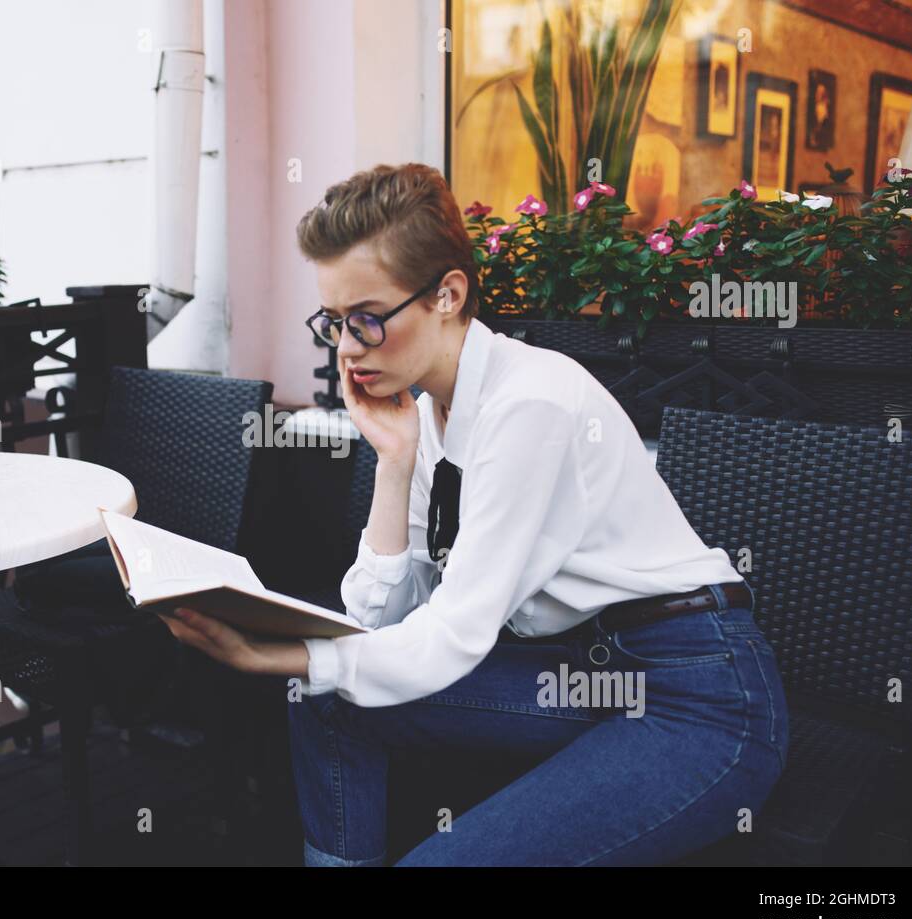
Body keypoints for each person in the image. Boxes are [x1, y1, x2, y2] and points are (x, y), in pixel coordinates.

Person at [157, 162, 789, 866]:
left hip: (696, 694)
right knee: (326, 699)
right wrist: (394, 466)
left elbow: (455, 634)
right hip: (580, 666)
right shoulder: (427, 415)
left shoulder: (532, 405)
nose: (345, 349)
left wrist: (281, 654)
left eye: (367, 319)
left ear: (448, 295)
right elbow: (378, 622)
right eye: (333, 322)